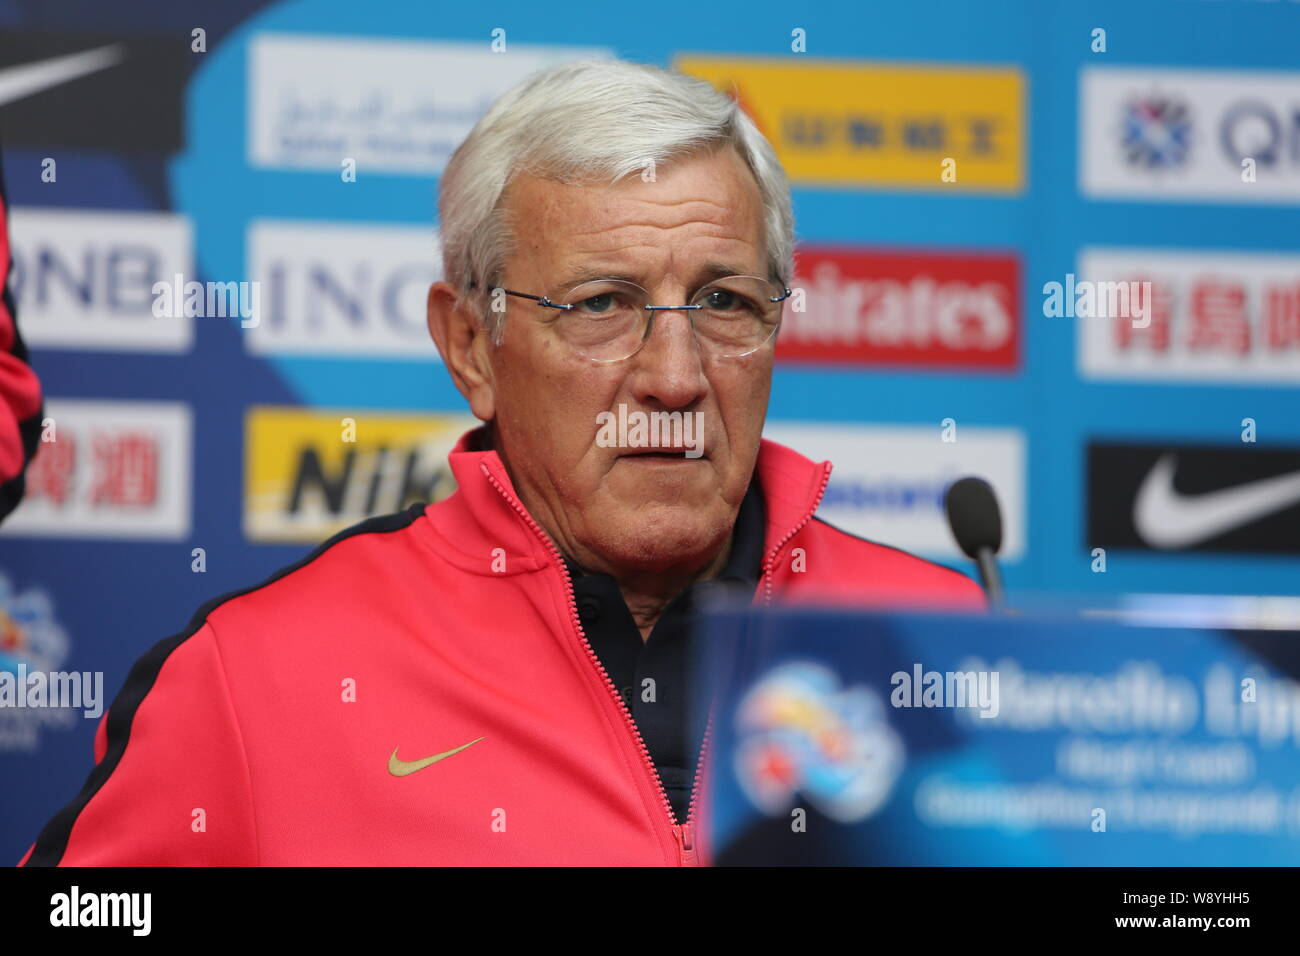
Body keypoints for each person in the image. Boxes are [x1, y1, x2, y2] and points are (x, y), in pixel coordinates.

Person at [20, 58, 982, 867]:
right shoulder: (253, 675)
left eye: (724, 301)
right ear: (473, 346)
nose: (676, 378)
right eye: (603, 304)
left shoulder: (955, 647)